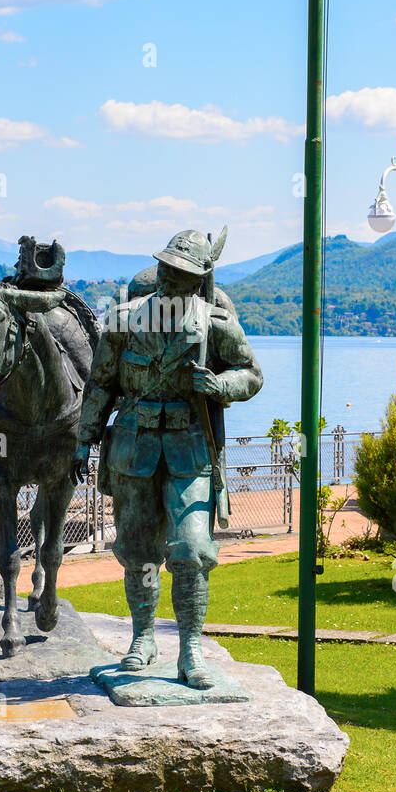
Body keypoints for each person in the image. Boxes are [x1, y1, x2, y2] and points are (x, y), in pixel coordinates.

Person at [71, 229, 263, 689]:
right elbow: (100, 385)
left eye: (181, 275)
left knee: (192, 551)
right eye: (165, 270)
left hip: (188, 451)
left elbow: (251, 374)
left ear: (197, 280)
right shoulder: (121, 321)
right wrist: (85, 438)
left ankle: (191, 649)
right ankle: (142, 639)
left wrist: (220, 386)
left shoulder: (214, 323)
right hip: (133, 450)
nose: (169, 280)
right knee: (137, 552)